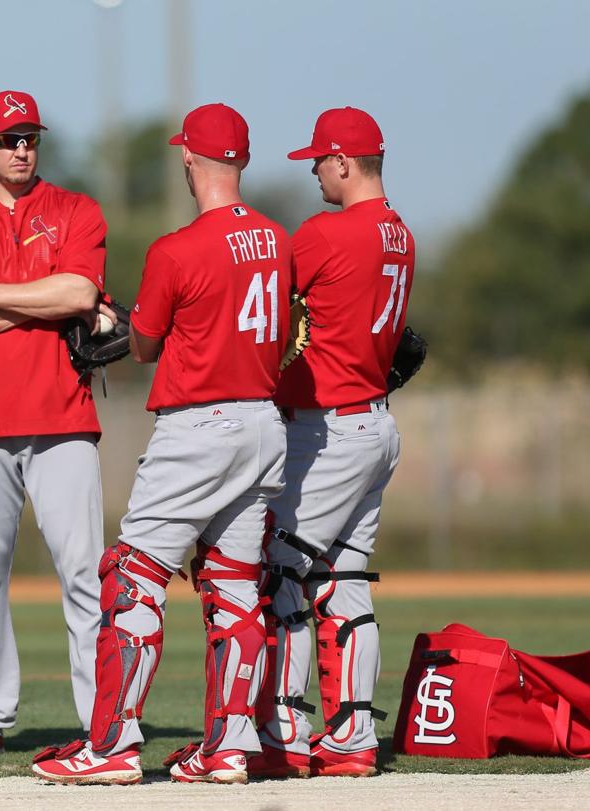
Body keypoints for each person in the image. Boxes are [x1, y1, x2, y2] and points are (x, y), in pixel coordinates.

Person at [32, 103, 289, 785]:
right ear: (243, 159)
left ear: (188, 160)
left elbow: (143, 345)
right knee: (236, 586)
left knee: (133, 578)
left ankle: (112, 744)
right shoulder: (278, 239)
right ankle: (231, 745)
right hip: (265, 423)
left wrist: (123, 329)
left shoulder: (175, 249)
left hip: (198, 425)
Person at [0, 89, 112, 757]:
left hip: (64, 415)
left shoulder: (76, 210)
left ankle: (103, 716)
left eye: (30, 136)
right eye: (7, 139)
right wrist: (45, 301)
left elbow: (82, 293)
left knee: (87, 572)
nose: (21, 148)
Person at [252, 107, 413, 779]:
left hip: (329, 426)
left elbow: (262, 301)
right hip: (375, 419)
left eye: (319, 159)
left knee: (281, 571)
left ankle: (285, 732)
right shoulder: (400, 232)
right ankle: (351, 736)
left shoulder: (326, 232)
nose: (315, 169)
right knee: (344, 576)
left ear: (345, 162)